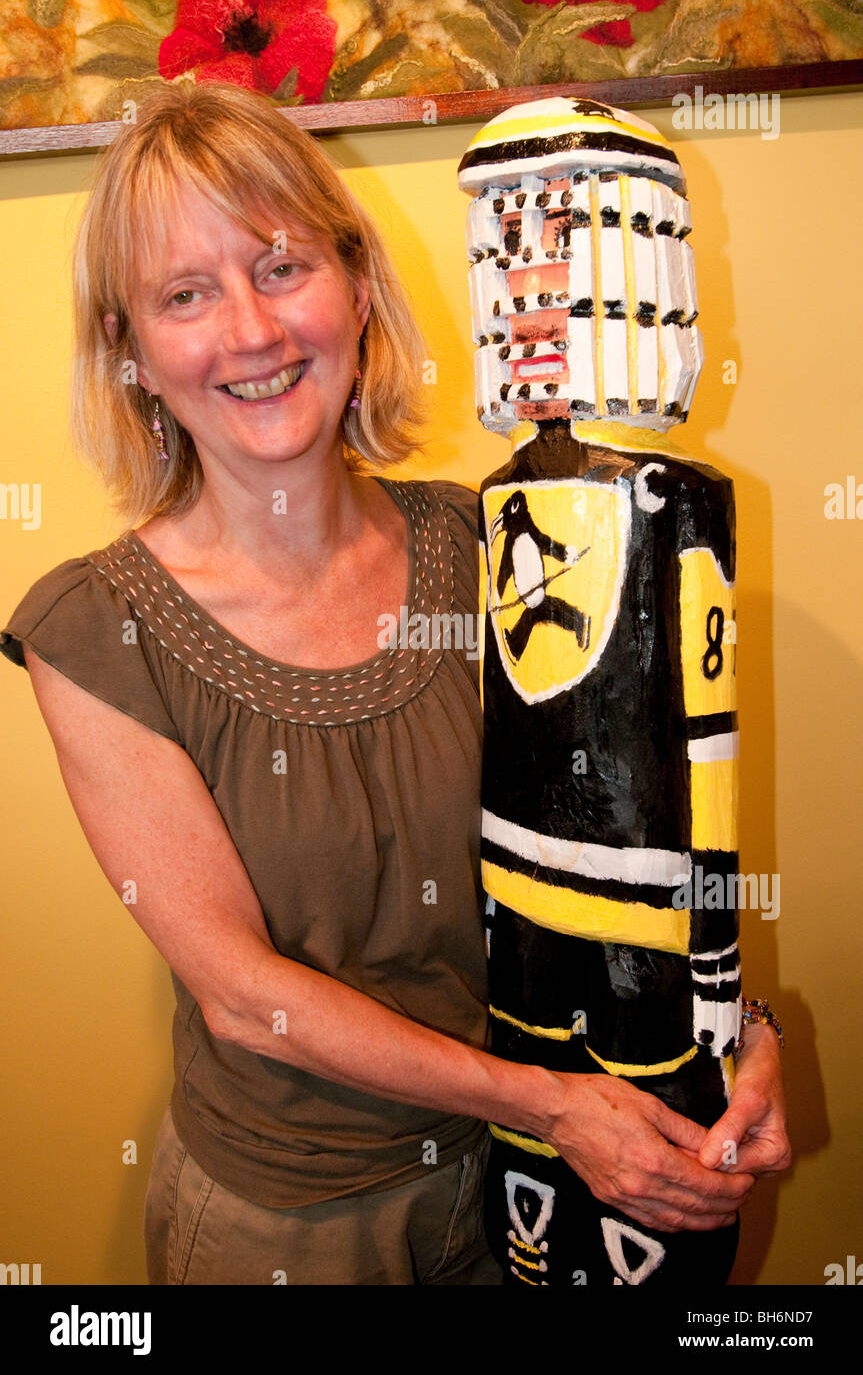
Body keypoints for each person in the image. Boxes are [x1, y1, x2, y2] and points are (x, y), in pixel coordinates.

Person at [0, 80, 788, 1286]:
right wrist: (552, 1104)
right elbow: (239, 994)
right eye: (185, 295)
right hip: (294, 1229)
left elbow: (636, 835)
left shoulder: (485, 545)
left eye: (278, 266)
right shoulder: (94, 628)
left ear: (356, 288)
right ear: (131, 354)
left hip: (531, 1183)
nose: (252, 332)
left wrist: (738, 1041)